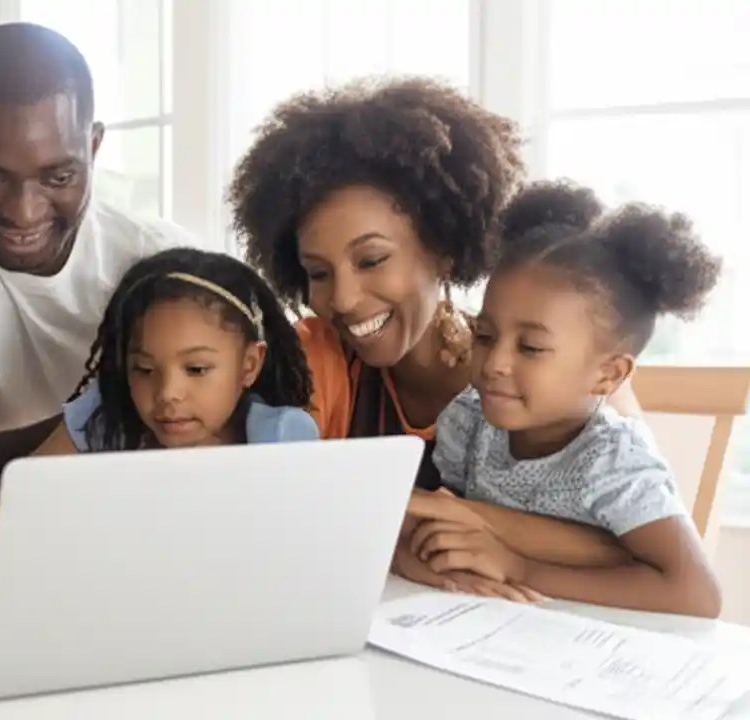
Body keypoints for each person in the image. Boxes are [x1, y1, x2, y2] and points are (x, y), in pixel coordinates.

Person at [228, 77, 641, 601]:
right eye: (318, 272)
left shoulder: (552, 368)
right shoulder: (314, 359)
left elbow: (638, 543)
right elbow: (283, 512)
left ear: (444, 249)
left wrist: (446, 516)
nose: (345, 299)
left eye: (372, 260)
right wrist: (401, 547)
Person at [0, 24, 194, 491]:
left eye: (58, 177)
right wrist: (105, 425)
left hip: (127, 504)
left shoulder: (151, 257)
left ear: (94, 146)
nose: (23, 213)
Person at [409, 181, 723, 616]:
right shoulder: (469, 418)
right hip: (487, 625)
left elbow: (697, 594)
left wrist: (520, 567)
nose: (494, 362)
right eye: (485, 335)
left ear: (607, 375)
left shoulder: (613, 459)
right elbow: (435, 523)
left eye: (531, 347)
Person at [31, 248, 317, 455]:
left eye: (196, 369)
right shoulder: (106, 419)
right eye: (144, 370)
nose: (167, 393)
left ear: (249, 365)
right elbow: (16, 502)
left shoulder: (279, 437)